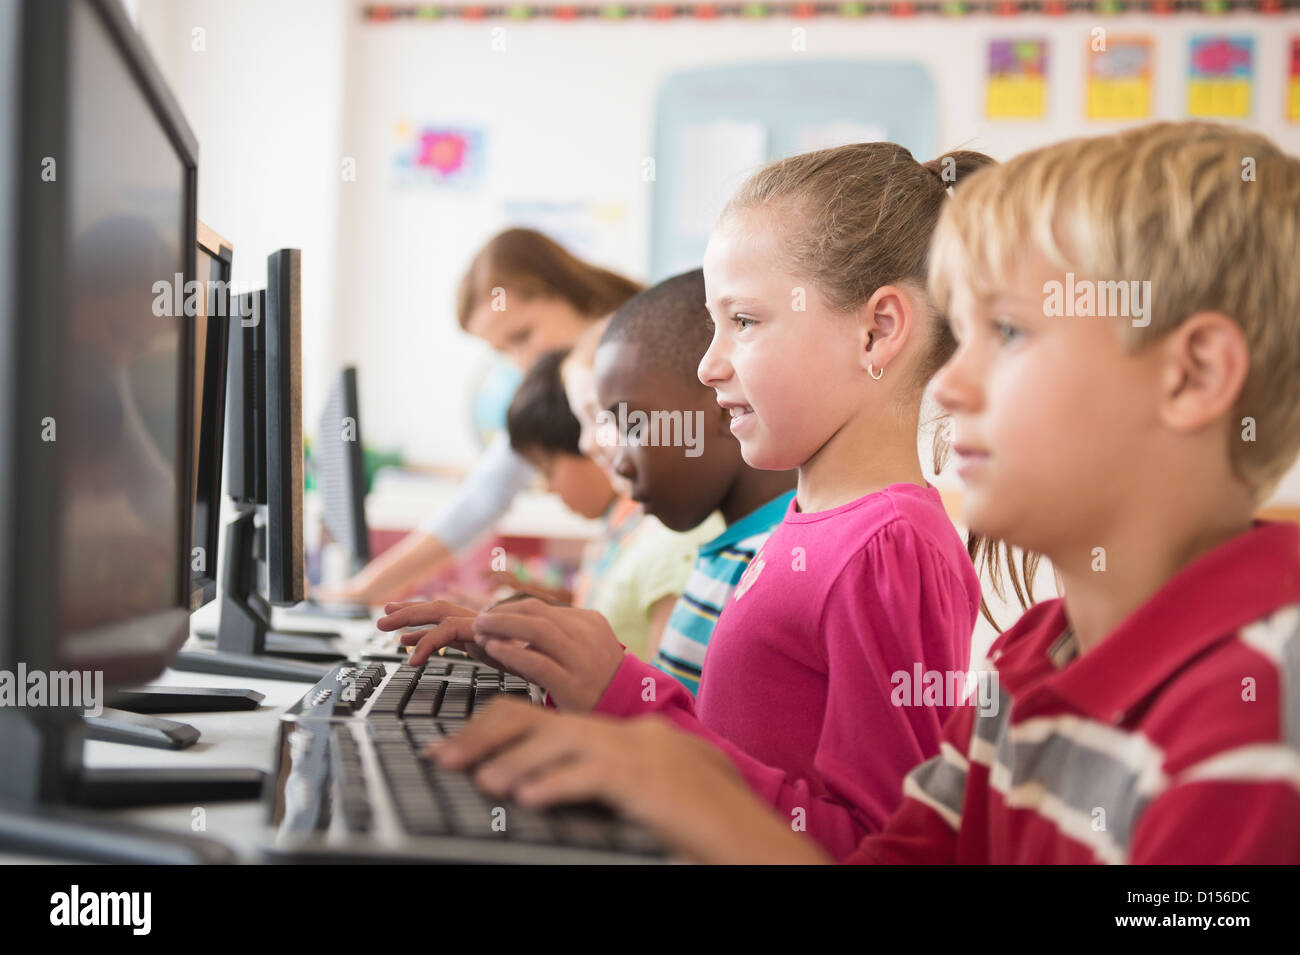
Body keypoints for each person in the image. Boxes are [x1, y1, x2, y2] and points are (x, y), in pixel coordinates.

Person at [429, 122, 1300, 865]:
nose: (948, 386)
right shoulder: (1034, 658)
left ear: (1192, 375)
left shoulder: (1262, 716)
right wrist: (665, 760)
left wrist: (690, 778)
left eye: (1006, 333)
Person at [385, 142, 1001, 859]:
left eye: (743, 321)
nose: (708, 364)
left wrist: (626, 707)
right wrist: (582, 672)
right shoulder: (813, 525)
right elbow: (735, 745)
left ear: (878, 329)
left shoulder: (888, 547)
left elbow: (883, 847)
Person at [317, 229, 642, 606]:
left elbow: (485, 495)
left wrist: (363, 591)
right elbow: (484, 493)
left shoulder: (638, 361)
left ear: (558, 290)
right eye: (504, 351)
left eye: (522, 336)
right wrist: (365, 590)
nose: (521, 364)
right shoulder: (567, 385)